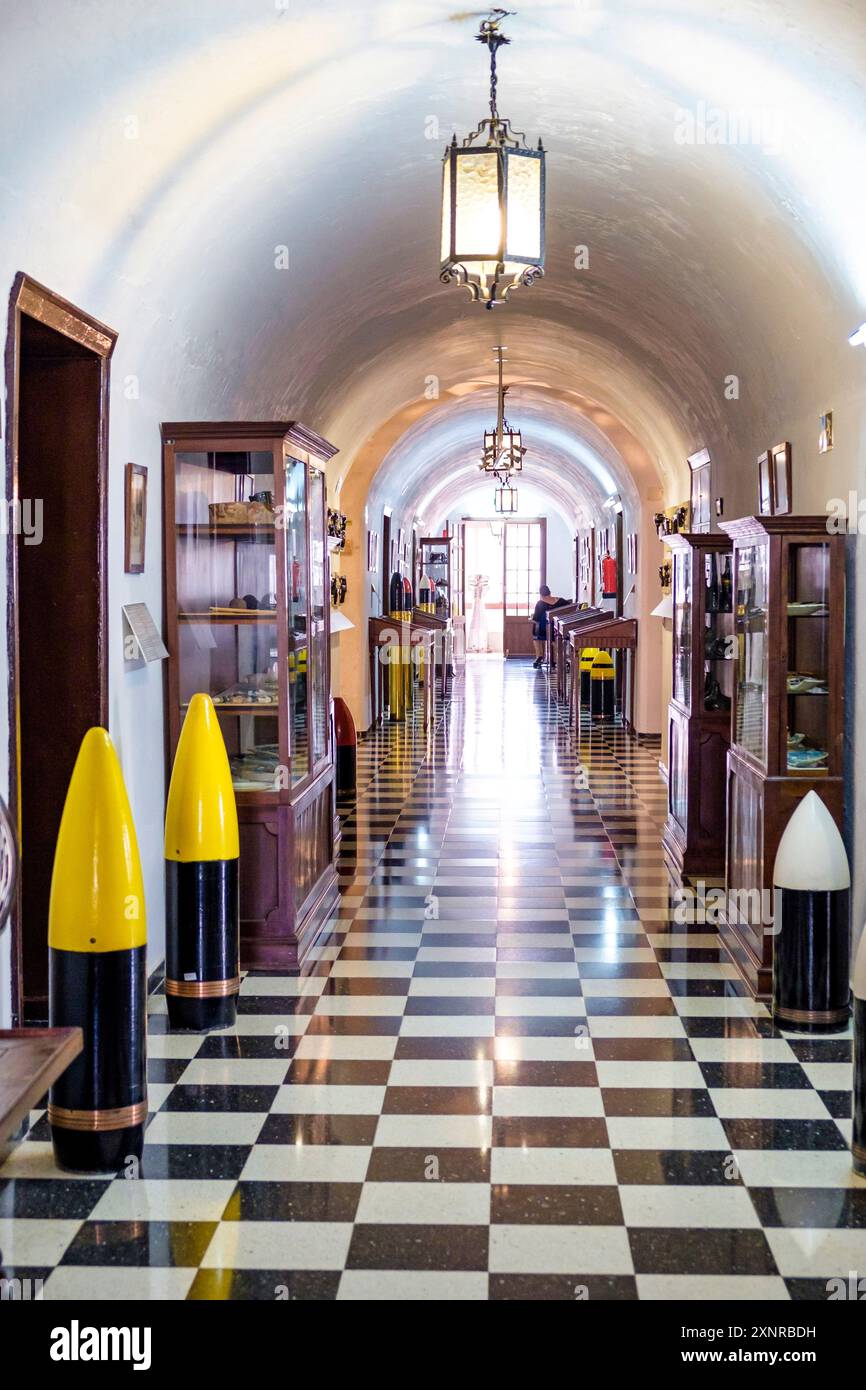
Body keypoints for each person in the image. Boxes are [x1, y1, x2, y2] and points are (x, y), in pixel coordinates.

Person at [531, 585, 570, 669]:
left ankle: (539, 656)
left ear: (541, 594)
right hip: (559, 629)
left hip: (544, 630)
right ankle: (558, 658)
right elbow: (570, 610)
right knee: (554, 638)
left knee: (535, 632)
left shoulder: (540, 603)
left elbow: (536, 619)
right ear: (550, 592)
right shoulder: (561, 601)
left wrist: (531, 619)